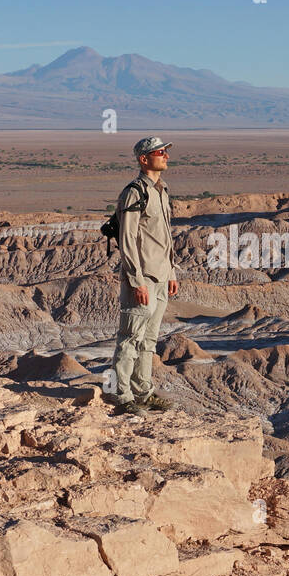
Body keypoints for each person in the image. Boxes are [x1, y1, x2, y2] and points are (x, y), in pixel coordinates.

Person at [106, 136, 178, 414]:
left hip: (160, 276)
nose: (166, 156)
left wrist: (171, 271)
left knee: (148, 340)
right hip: (143, 278)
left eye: (165, 152)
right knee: (130, 337)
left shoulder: (162, 190)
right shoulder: (135, 192)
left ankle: (143, 390)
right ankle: (119, 393)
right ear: (143, 158)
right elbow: (127, 240)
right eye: (160, 152)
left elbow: (164, 237)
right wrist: (136, 280)